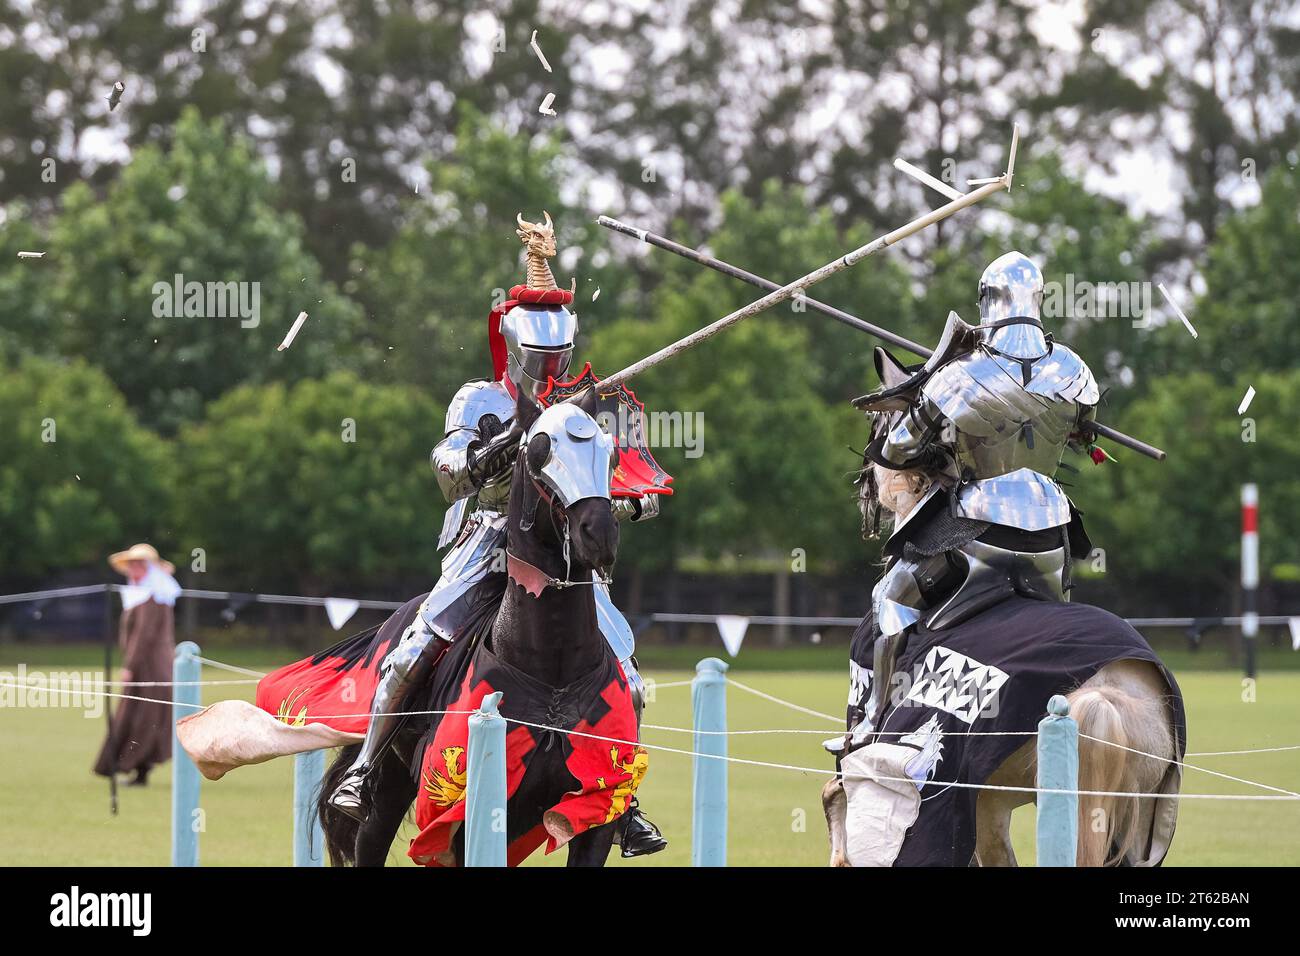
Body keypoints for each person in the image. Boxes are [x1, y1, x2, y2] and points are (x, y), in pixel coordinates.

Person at [328, 213, 667, 857]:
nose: (552, 364)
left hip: (562, 556)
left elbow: (622, 487)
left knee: (626, 668)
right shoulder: (479, 399)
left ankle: (618, 800)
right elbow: (448, 471)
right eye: (541, 355)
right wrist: (498, 450)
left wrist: (634, 502)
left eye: (559, 355)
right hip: (487, 543)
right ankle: (368, 765)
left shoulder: (583, 414)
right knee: (414, 647)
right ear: (515, 349)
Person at [93, 543, 181, 786]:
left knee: (144, 716)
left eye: (139, 563)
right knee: (139, 715)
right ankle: (132, 767)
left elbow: (144, 635)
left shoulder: (152, 595)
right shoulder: (144, 592)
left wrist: (130, 665)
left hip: (150, 665)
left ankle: (134, 767)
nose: (133, 568)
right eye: (131, 563)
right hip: (147, 663)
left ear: (149, 567)